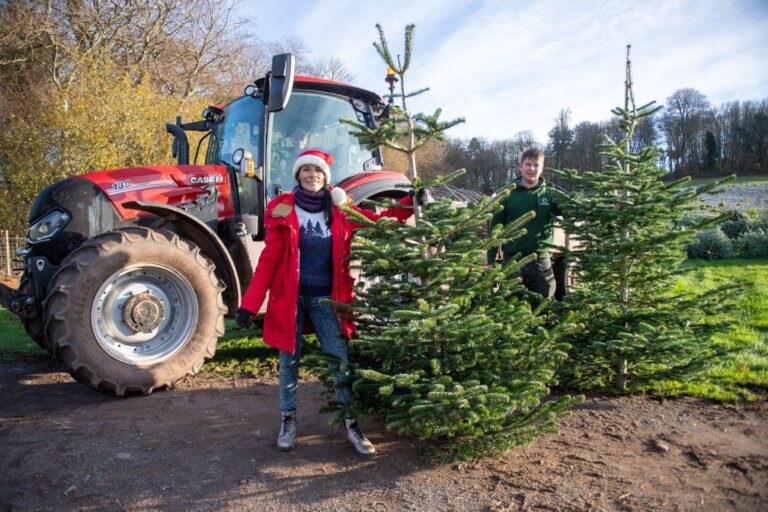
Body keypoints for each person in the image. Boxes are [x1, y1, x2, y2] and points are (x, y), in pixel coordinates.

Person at [235, 149, 415, 457]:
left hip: (326, 299)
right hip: (290, 300)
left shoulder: (341, 209)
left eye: (316, 171)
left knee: (338, 358)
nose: (311, 175)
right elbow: (268, 262)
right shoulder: (283, 210)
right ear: (298, 175)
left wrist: (410, 203)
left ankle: (350, 421)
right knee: (288, 361)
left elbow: (379, 222)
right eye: (305, 170)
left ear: (325, 177)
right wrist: (249, 305)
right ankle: (288, 420)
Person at [487, 148, 561, 298]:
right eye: (528, 164)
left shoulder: (549, 195)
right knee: (512, 306)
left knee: (544, 304)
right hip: (513, 261)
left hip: (541, 261)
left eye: (536, 165)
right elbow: (495, 230)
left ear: (542, 169)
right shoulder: (507, 195)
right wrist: (491, 262)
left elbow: (572, 210)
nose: (531, 169)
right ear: (520, 167)